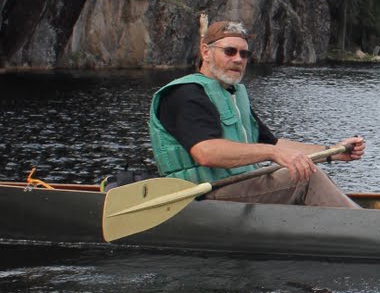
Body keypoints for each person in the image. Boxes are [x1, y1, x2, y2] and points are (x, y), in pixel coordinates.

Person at [149, 20, 365, 207]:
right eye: (229, 51)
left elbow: (274, 145)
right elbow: (206, 152)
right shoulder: (185, 94)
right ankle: (365, 232)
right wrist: (271, 154)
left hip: (232, 188)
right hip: (198, 196)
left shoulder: (231, 94)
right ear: (206, 52)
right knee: (307, 179)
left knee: (308, 171)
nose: (238, 59)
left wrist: (333, 153)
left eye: (244, 54)